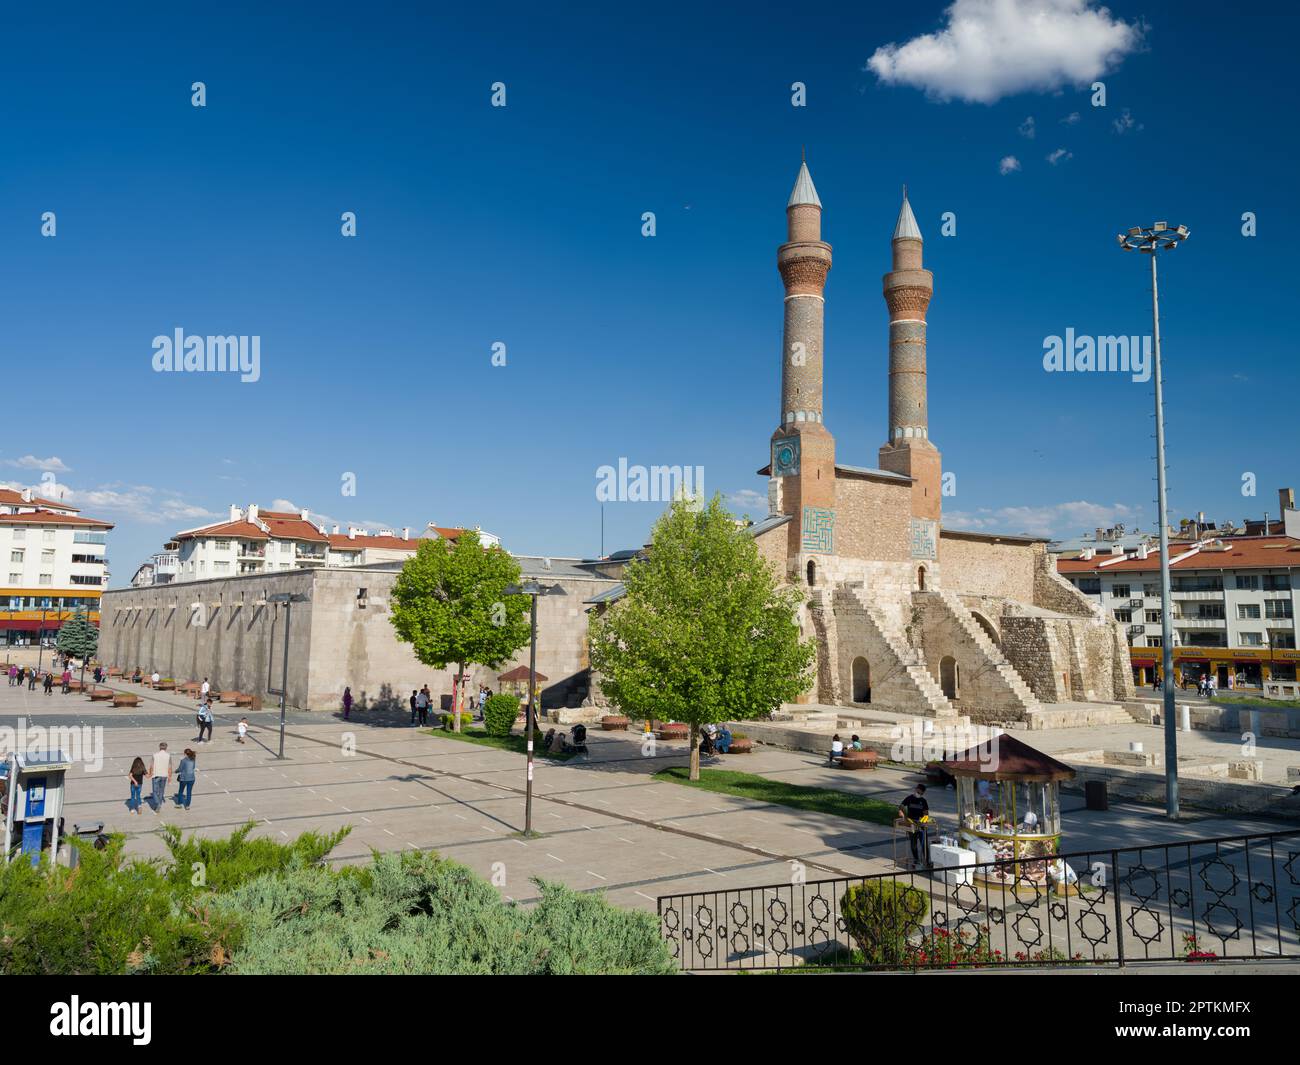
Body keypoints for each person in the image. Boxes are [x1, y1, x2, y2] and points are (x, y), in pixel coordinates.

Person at [898, 784, 931, 867]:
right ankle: (916, 860)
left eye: (921, 793)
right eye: (918, 792)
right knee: (913, 844)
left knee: (924, 844)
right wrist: (902, 813)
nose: (919, 794)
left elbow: (926, 814)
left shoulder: (923, 801)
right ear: (916, 789)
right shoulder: (909, 798)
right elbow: (901, 806)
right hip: (911, 823)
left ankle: (927, 861)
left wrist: (924, 820)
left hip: (921, 824)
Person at [150, 743, 170, 813]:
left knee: (155, 791)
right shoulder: (168, 755)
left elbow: (151, 766)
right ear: (166, 747)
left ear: (159, 747)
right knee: (161, 791)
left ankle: (158, 804)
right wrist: (170, 777)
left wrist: (150, 774)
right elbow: (169, 767)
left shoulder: (155, 755)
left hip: (156, 775)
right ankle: (159, 804)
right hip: (164, 775)